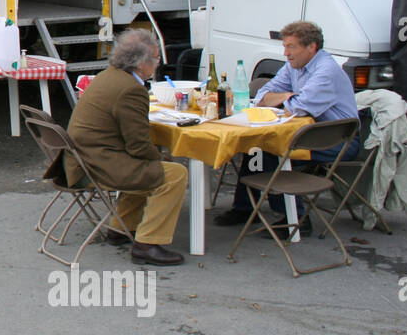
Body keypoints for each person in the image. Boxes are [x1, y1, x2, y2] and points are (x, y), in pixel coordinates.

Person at [214, 20, 361, 230]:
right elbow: (263, 94)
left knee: (272, 151)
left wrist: (285, 100)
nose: (285, 53)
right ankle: (245, 208)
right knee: (255, 147)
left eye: (291, 46)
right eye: (284, 46)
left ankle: (295, 218)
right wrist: (286, 95)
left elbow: (298, 108)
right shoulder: (295, 66)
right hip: (304, 133)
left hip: (336, 140)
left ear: (311, 47)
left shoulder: (326, 71)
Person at [60, 29, 188, 266]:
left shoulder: (109, 75)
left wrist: (154, 159)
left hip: (82, 160)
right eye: (157, 59)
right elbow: (139, 144)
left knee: (148, 166)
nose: (158, 64)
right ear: (141, 63)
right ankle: (147, 243)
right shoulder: (131, 89)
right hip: (97, 165)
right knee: (174, 173)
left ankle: (121, 227)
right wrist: (161, 158)